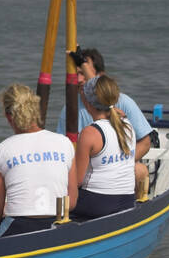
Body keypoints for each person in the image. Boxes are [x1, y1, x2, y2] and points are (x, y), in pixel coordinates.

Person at [0, 83, 78, 240]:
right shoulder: (65, 143)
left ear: (8, 116)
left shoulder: (1, 150)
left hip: (18, 229)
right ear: (35, 110)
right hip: (58, 224)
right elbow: (72, 201)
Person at [56, 45, 153, 194]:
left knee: (140, 170)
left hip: (117, 168)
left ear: (101, 76)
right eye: (77, 74)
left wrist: (117, 166)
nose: (80, 79)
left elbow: (145, 143)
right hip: (86, 169)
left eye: (83, 73)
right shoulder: (69, 109)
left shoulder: (123, 102)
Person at [72, 74, 136, 219]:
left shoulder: (90, 133)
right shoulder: (127, 125)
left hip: (96, 204)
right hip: (127, 200)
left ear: (88, 103)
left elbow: (77, 181)